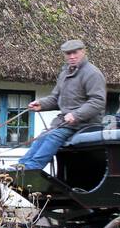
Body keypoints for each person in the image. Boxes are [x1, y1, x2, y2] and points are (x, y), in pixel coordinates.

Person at [16, 40, 107, 171]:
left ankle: (33, 168)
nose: (71, 56)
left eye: (75, 53)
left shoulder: (92, 73)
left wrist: (76, 115)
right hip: (65, 122)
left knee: (54, 135)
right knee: (44, 135)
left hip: (86, 123)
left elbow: (98, 101)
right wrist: (41, 104)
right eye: (68, 54)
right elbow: (56, 98)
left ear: (83, 51)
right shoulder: (64, 74)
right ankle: (22, 165)